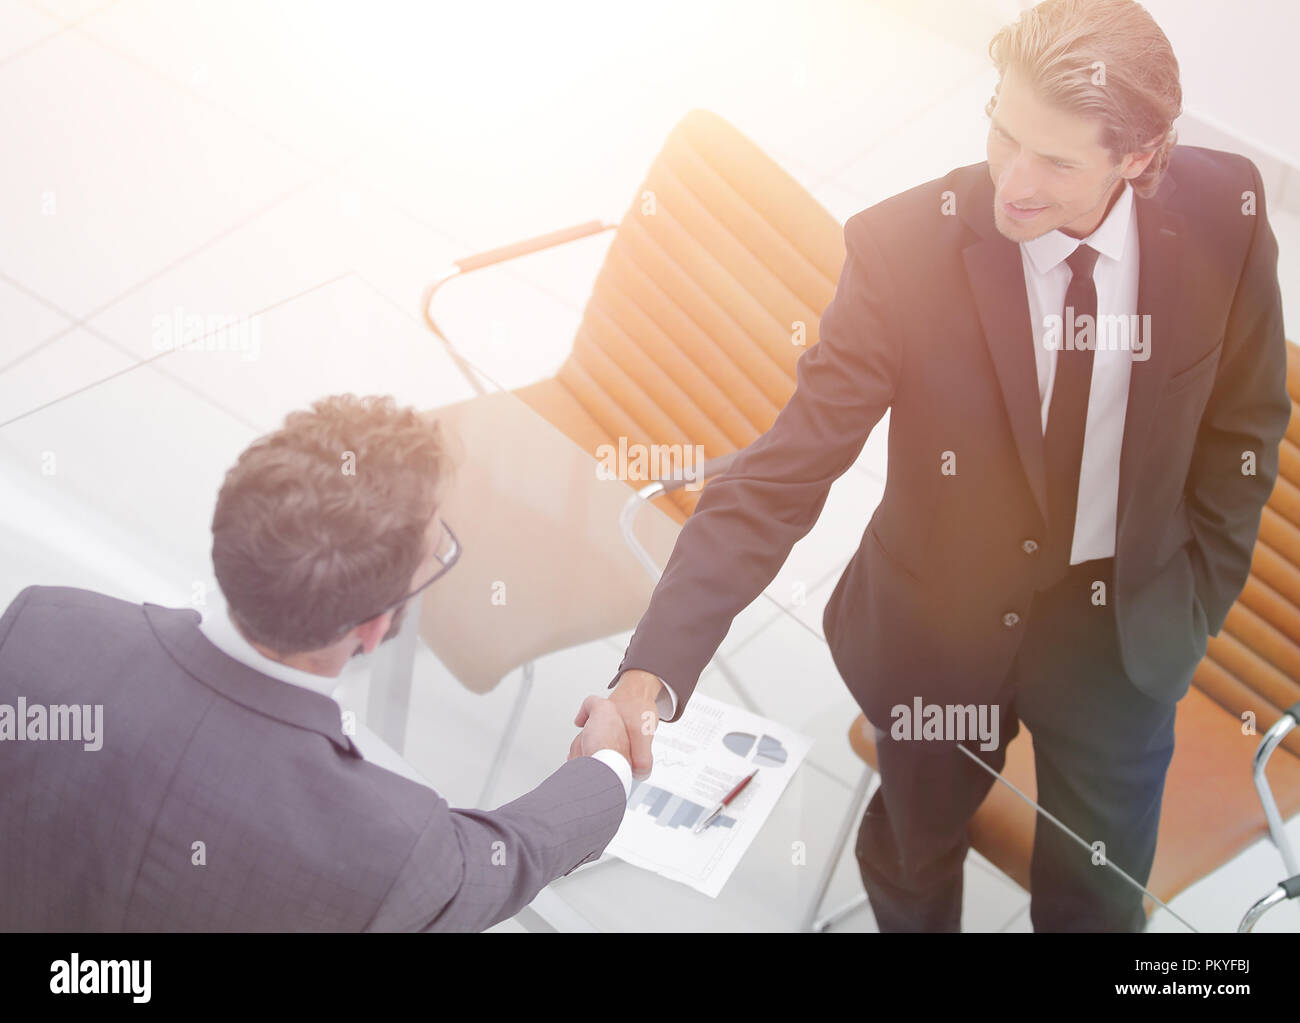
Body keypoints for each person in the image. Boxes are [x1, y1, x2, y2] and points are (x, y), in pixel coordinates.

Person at [582, 0, 1291, 931]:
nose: (1013, 184)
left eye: (1056, 161)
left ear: (1141, 155)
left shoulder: (1224, 214)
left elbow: (1247, 424)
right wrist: (650, 675)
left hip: (1125, 632)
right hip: (935, 633)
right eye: (1002, 134)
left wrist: (1199, 592)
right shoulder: (903, 250)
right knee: (915, 848)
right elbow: (783, 472)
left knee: (1100, 897)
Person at [0, 394, 632, 931]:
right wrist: (607, 766)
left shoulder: (40, 628)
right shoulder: (389, 846)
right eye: (435, 549)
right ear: (377, 625)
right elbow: (506, 857)